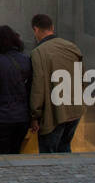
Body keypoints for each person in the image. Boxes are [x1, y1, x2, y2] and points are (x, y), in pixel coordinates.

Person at [27, 13, 84, 153]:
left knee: (49, 156)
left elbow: (38, 88)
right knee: (65, 148)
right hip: (75, 111)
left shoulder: (38, 53)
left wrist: (35, 116)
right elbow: (83, 78)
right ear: (52, 27)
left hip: (53, 115)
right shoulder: (72, 47)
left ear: (35, 29)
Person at [0, 25, 32, 155]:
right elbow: (31, 90)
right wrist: (33, 117)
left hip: (0, 119)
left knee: (0, 157)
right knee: (16, 153)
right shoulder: (26, 60)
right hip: (22, 118)